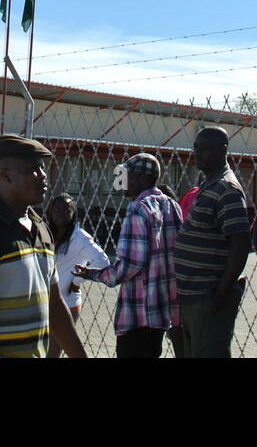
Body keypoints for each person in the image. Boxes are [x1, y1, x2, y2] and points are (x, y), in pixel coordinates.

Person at [0, 135, 86, 358]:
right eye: (32, 170)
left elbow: (54, 305)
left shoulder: (41, 228)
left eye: (43, 169)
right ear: (5, 175)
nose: (43, 176)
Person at [74, 153, 183, 358]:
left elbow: (131, 265)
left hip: (137, 313)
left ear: (143, 178)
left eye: (127, 175)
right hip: (161, 310)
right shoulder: (171, 205)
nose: (123, 181)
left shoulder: (138, 208)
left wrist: (97, 275)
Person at [173, 127, 251, 358]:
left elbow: (240, 242)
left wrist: (220, 293)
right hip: (193, 295)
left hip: (207, 296)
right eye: (196, 147)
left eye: (204, 148)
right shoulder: (210, 185)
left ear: (223, 150)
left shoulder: (226, 188)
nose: (197, 153)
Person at [46, 193, 109, 357]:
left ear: (73, 212)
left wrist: (77, 280)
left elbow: (103, 261)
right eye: (57, 209)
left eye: (67, 209)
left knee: (53, 351)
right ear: (50, 211)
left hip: (66, 302)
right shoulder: (45, 233)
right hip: (43, 302)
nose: (61, 212)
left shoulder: (79, 237)